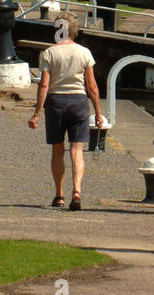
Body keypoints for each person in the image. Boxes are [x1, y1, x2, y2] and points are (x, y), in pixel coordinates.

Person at [28, 13, 103, 210]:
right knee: (77, 151)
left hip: (56, 102)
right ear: (74, 30)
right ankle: (76, 191)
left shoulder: (48, 53)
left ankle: (59, 194)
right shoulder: (84, 52)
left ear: (57, 30)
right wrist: (98, 113)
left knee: (57, 150)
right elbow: (92, 86)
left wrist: (37, 112)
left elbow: (44, 85)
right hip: (78, 101)